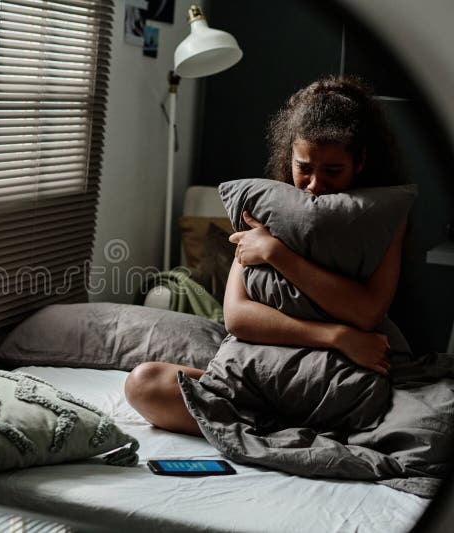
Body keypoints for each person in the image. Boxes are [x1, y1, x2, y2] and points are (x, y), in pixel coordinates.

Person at [124, 75, 406, 436]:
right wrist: (335, 336)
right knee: (144, 383)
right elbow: (237, 317)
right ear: (290, 156)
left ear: (360, 160)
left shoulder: (382, 217)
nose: (315, 184)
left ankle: (271, 428)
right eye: (304, 168)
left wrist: (277, 253)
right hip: (261, 374)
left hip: (335, 376)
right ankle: (290, 428)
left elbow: (367, 312)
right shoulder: (267, 208)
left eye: (332, 171)